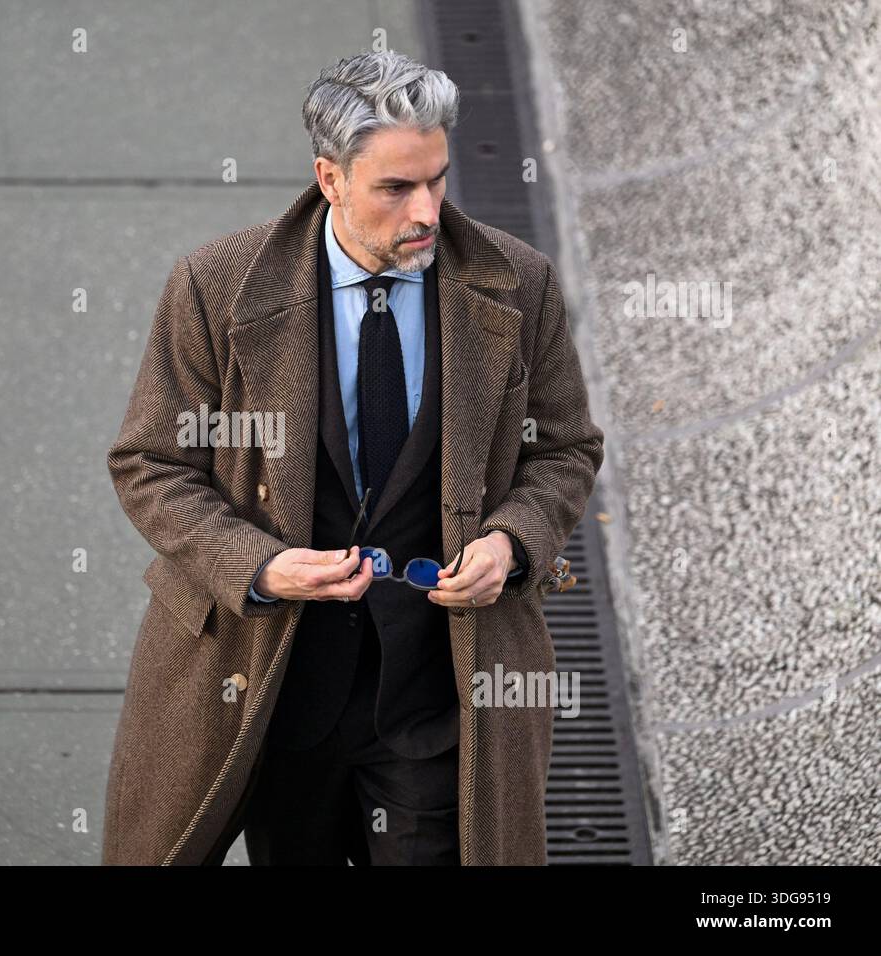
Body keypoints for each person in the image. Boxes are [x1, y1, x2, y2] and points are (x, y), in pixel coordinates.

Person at [102, 50, 604, 865]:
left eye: (437, 180)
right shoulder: (215, 286)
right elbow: (151, 464)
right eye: (396, 188)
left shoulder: (520, 283)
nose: (427, 211)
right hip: (269, 681)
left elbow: (566, 448)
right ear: (329, 178)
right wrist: (260, 566)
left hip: (437, 690)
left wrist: (513, 542)